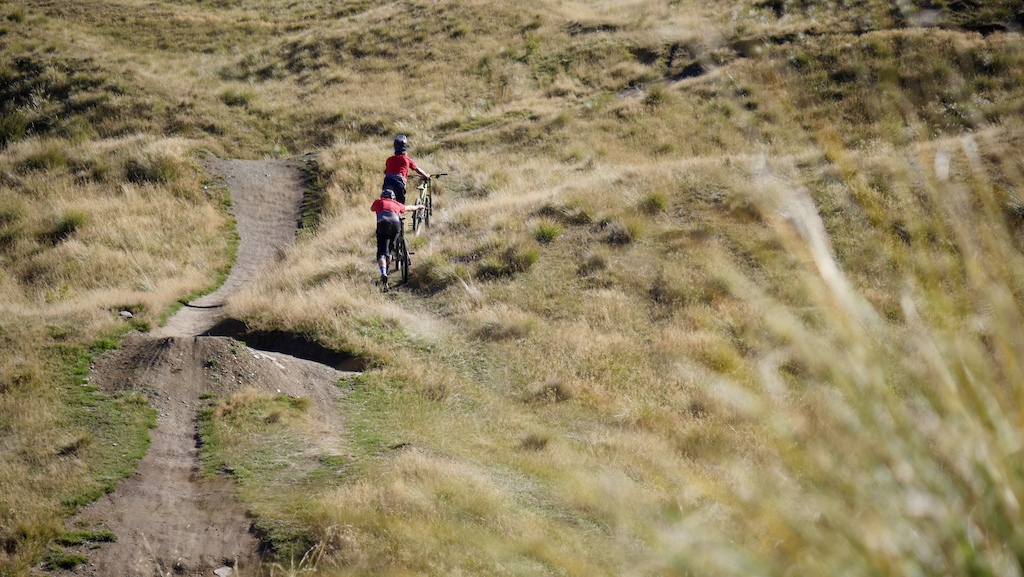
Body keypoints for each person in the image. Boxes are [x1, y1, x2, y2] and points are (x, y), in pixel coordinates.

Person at [371, 189, 423, 287]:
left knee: (382, 253)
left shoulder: (378, 202)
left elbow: (372, 209)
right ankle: (388, 266)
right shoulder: (396, 204)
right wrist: (418, 207)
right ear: (393, 198)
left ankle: (384, 273)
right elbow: (408, 208)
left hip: (382, 225)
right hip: (395, 225)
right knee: (390, 250)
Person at [383, 134, 430, 204]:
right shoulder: (406, 159)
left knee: (386, 202)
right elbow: (417, 169)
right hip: (399, 182)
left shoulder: (389, 160)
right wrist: (426, 175)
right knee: (400, 204)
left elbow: (386, 171)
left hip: (388, 181)